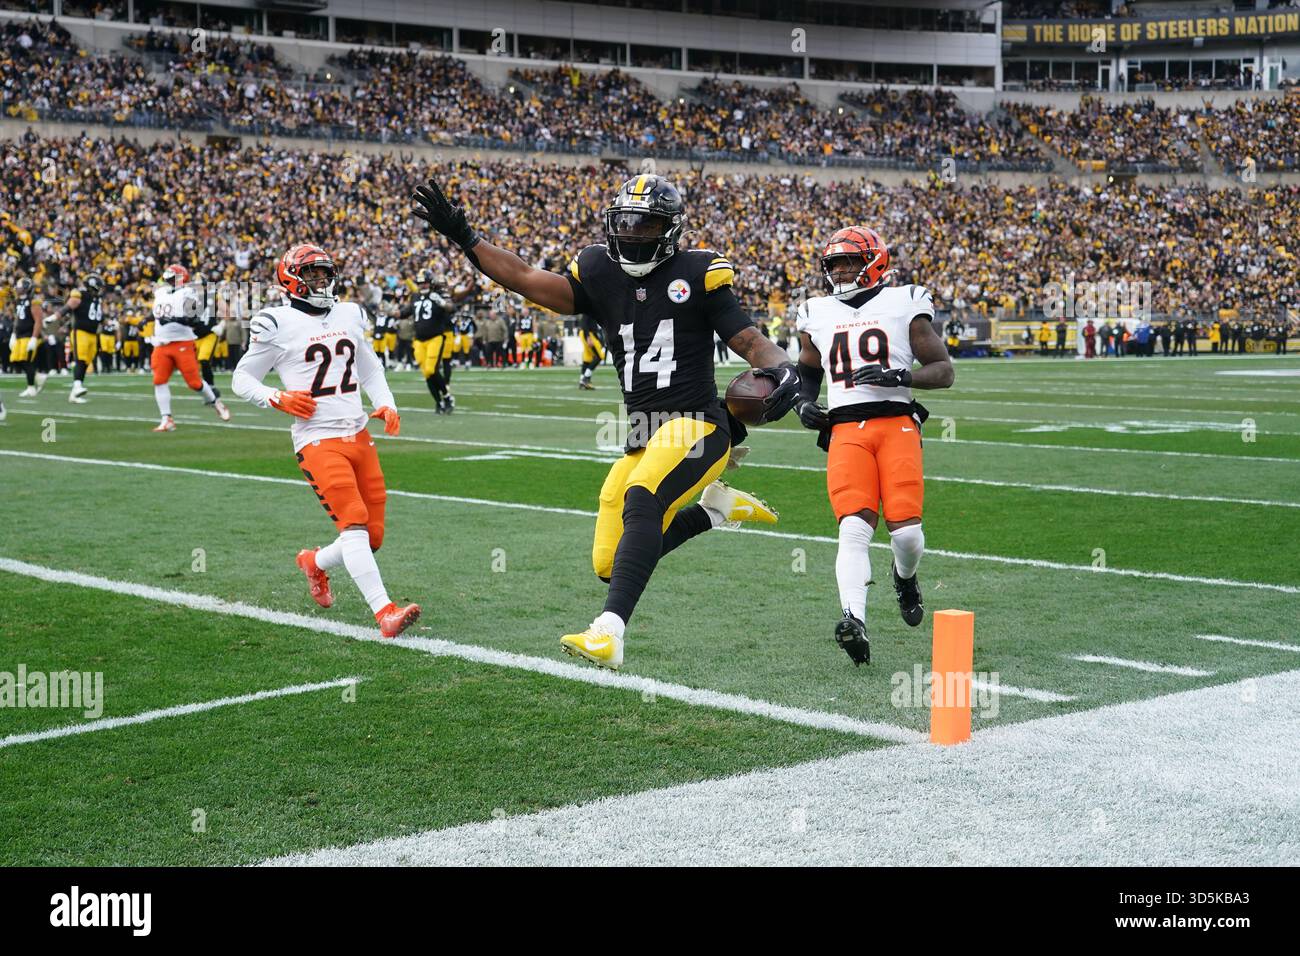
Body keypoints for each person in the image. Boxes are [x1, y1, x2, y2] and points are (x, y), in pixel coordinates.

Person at [412, 172, 801, 669]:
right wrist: (466, 236)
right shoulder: (598, 270)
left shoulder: (699, 273)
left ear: (670, 228)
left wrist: (782, 367)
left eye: (648, 224)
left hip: (699, 426)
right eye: (628, 223)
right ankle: (717, 510)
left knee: (642, 496)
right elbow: (525, 278)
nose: (635, 233)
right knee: (609, 562)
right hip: (644, 433)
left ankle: (609, 632)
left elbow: (748, 341)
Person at [232, 243, 420, 639]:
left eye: (324, 273)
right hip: (317, 439)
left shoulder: (350, 313)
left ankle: (314, 561)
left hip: (358, 433)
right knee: (353, 522)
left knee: (373, 537)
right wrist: (277, 397)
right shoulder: (275, 321)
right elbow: (241, 378)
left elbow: (368, 366)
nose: (320, 281)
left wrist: (385, 403)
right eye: (312, 275)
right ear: (291, 280)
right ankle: (384, 612)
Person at [792, 226, 954, 665]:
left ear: (875, 261)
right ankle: (853, 620)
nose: (841, 271)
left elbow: (943, 370)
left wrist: (899, 377)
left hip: (896, 423)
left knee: (906, 532)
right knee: (853, 526)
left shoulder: (905, 303)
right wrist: (804, 403)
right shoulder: (816, 311)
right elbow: (807, 369)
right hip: (846, 430)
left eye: (849, 262)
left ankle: (905, 577)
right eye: (835, 264)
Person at [148, 264, 232, 430]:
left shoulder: (188, 293)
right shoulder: (161, 292)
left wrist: (173, 319)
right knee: (159, 380)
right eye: (168, 279)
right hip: (162, 342)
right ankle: (167, 419)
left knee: (194, 383)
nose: (169, 281)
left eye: (173, 278)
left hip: (182, 342)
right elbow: (158, 313)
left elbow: (192, 319)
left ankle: (216, 402)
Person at [577, 312, 605, 389]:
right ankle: (585, 379)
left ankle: (581, 381)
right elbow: (584, 323)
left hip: (588, 333)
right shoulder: (589, 308)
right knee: (600, 356)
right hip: (588, 333)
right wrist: (588, 337)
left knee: (587, 358)